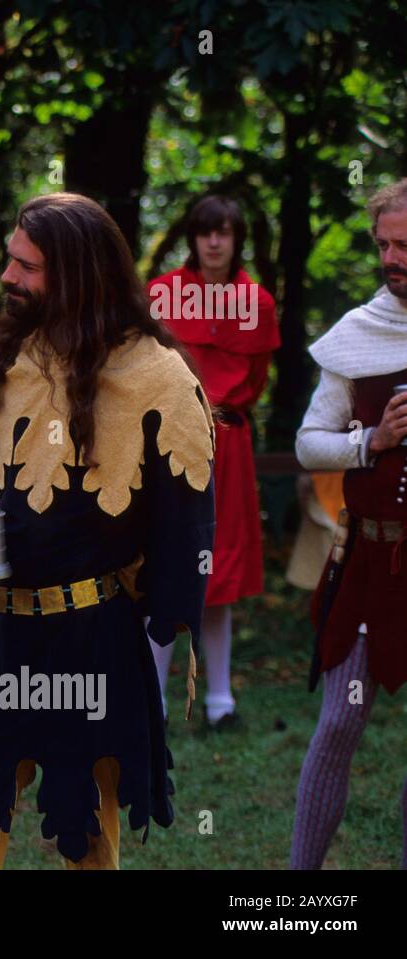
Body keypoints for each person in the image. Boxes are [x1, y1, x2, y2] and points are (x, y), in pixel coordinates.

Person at [0, 193, 215, 869]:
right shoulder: (10, 356)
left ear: (79, 273)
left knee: (86, 842)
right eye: (9, 261)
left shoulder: (156, 376)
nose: (8, 278)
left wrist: (165, 609)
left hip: (89, 636)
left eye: (27, 266)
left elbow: (183, 520)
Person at [290, 178, 407, 869]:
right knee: (338, 722)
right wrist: (373, 443)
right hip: (367, 561)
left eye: (405, 245)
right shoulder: (358, 337)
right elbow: (309, 442)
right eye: (385, 244)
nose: (393, 257)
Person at [147, 194, 279, 729]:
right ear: (193, 237)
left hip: (228, 441)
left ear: (237, 237)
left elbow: (259, 379)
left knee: (219, 569)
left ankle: (220, 700)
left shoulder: (258, 302)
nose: (215, 241)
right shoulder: (161, 295)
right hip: (167, 439)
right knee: (160, 564)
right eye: (206, 231)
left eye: (225, 231)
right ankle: (151, 699)